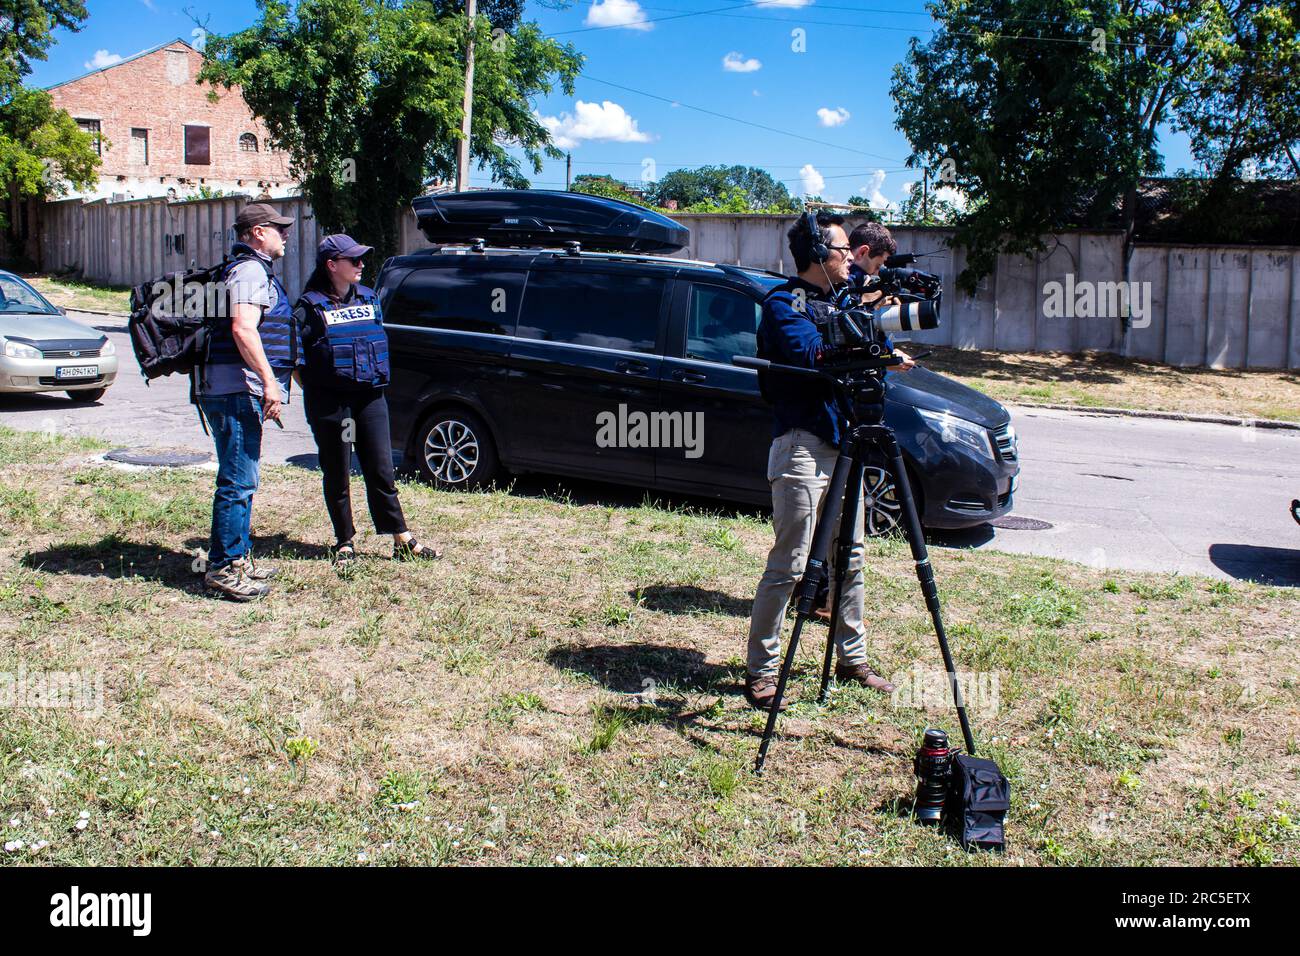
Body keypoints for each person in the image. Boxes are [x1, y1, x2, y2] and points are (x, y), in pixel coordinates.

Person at [743, 211, 914, 711]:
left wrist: (882, 339)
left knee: (852, 556)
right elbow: (812, 353)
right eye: (842, 250)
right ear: (820, 255)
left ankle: (852, 658)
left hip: (847, 442)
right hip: (802, 443)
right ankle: (762, 670)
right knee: (791, 565)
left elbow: (867, 346)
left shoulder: (846, 300)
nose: (850, 258)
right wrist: (857, 322)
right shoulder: (783, 301)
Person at [293, 234, 441, 565]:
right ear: (332, 265)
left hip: (370, 398)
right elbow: (295, 360)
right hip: (331, 402)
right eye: (354, 260)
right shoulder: (310, 306)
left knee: (381, 468)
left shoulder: (369, 298)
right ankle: (344, 541)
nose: (362, 265)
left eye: (362, 259)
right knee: (338, 470)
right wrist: (318, 390)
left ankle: (401, 538)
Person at [197, 202, 298, 601]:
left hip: (231, 387)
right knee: (238, 479)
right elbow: (244, 329)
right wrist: (269, 383)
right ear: (258, 232)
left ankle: (236, 558)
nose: (285, 235)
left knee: (242, 476)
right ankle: (223, 567)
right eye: (279, 228)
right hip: (236, 388)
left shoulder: (245, 269)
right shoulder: (250, 270)